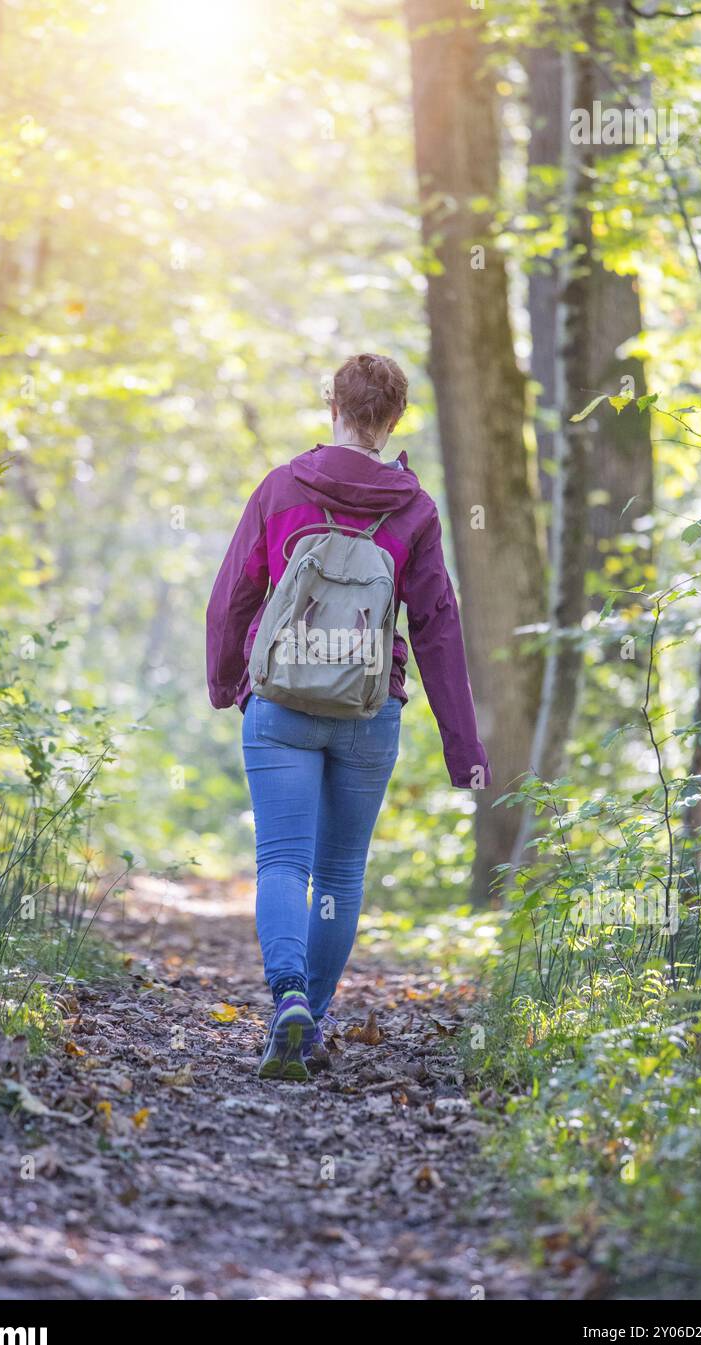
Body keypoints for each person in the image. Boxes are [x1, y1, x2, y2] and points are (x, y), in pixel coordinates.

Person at [206, 352, 490, 1080]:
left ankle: (288, 1002)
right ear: (396, 418)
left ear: (331, 403)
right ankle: (311, 1023)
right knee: (337, 874)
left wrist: (227, 680)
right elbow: (436, 624)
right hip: (368, 710)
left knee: (280, 861)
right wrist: (465, 752)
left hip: (281, 705)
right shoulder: (414, 510)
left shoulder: (281, 488)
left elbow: (236, 593)